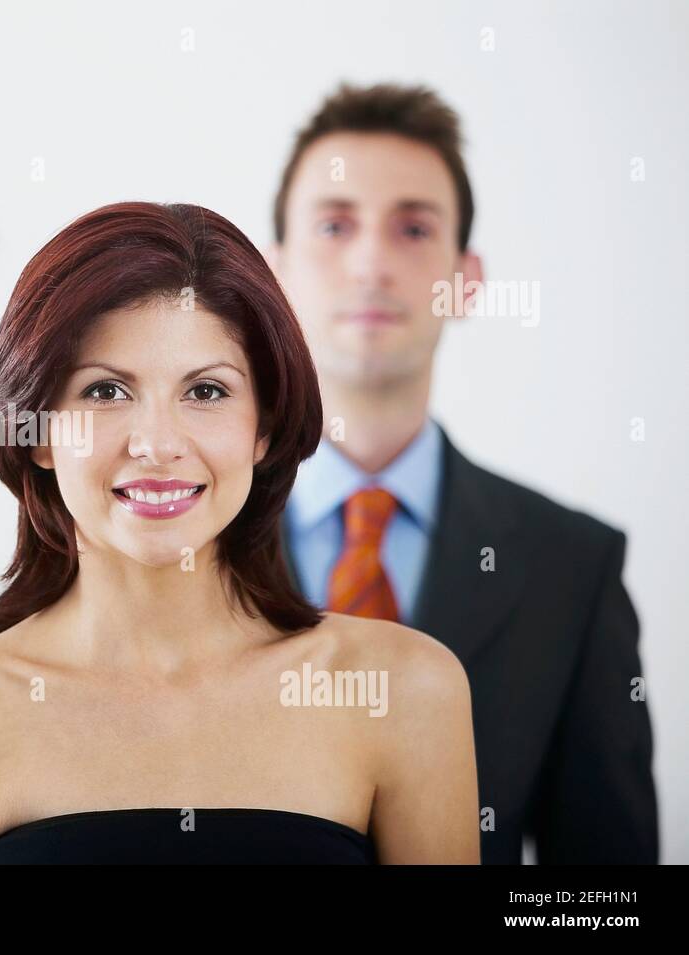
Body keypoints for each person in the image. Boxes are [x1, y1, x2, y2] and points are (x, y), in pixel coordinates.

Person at [0, 201, 480, 864]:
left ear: (264, 428)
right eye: (105, 392)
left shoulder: (403, 689)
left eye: (206, 391)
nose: (157, 444)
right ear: (36, 431)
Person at [268, 83, 658, 863]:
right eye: (334, 224)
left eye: (414, 227)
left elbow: (610, 897)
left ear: (467, 278)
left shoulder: (571, 567)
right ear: (274, 271)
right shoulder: (182, 532)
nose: (373, 262)